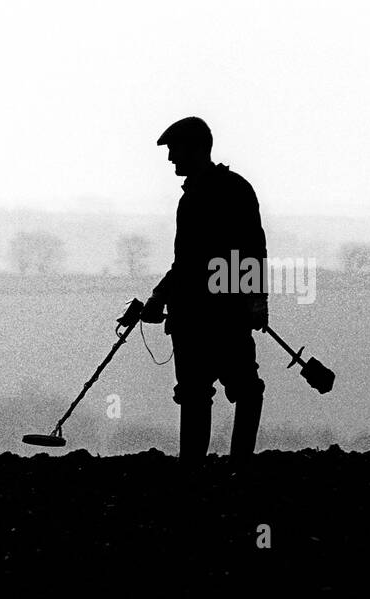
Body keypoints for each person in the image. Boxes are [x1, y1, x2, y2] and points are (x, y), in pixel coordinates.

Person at [142, 117, 268, 462]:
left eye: (174, 150)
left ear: (196, 148)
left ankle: (193, 472)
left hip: (196, 317)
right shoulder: (236, 188)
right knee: (246, 391)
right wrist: (256, 300)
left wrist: (158, 297)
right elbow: (252, 250)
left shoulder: (198, 196)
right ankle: (239, 465)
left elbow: (188, 263)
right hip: (226, 314)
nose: (170, 159)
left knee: (197, 395)